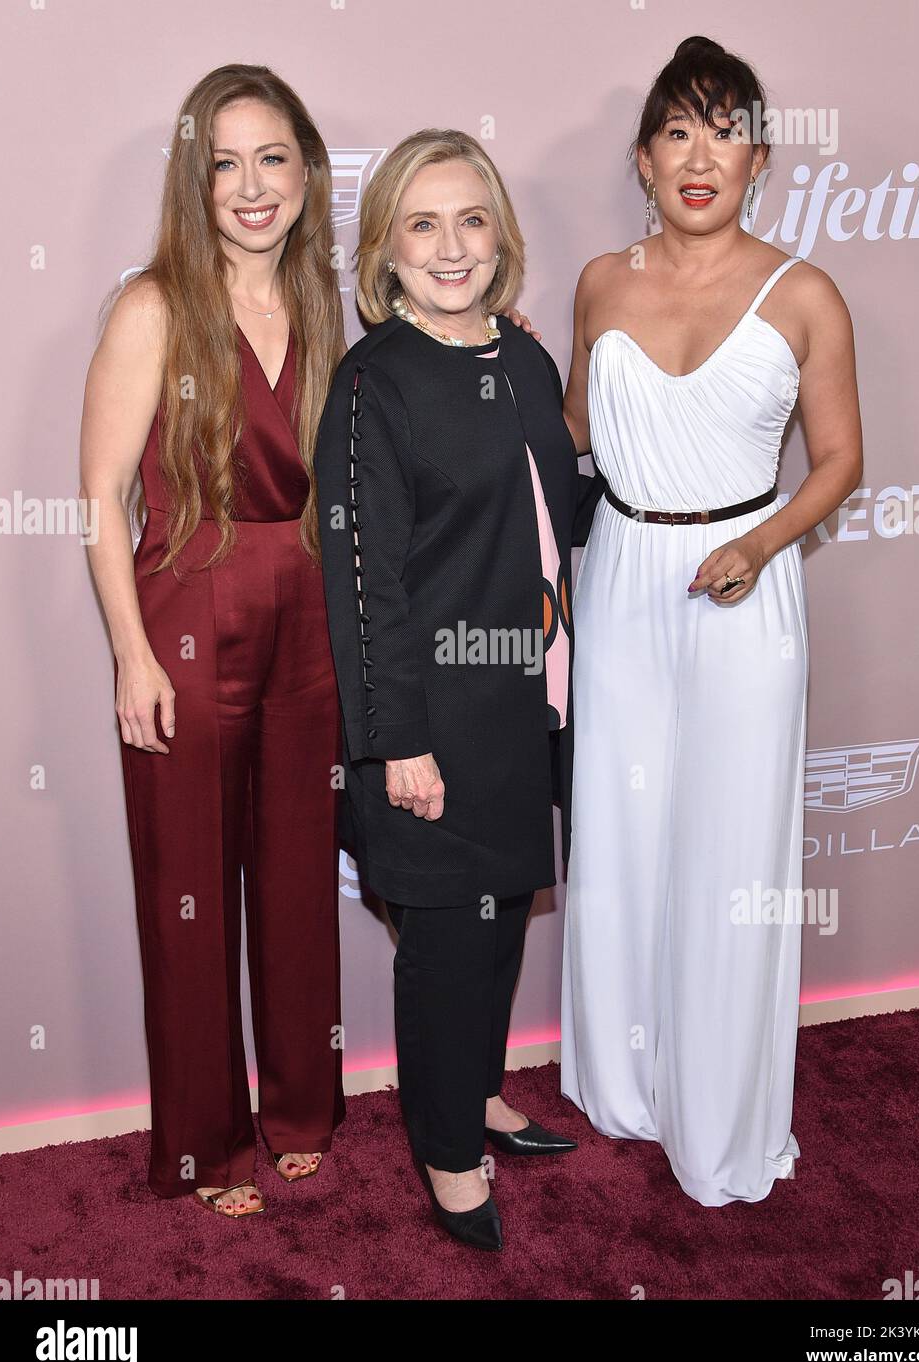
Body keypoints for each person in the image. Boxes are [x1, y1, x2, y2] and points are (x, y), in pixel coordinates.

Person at [560, 36, 863, 1206]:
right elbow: (575, 432)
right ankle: (628, 1086)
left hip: (745, 578)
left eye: (725, 129)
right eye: (678, 131)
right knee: (626, 836)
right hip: (623, 574)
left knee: (733, 847)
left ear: (761, 157)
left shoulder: (806, 292)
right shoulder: (599, 281)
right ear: (644, 159)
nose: (701, 154)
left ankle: (723, 1120)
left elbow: (839, 462)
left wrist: (757, 545)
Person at [314, 129, 596, 1251]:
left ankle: (476, 1093)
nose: (450, 245)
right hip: (432, 717)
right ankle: (445, 1149)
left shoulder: (521, 358)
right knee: (442, 944)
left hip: (526, 705)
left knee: (500, 925)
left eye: (470, 218)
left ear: (500, 235)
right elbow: (364, 579)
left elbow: (551, 511)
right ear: (384, 248)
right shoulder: (374, 381)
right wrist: (398, 744)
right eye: (422, 223)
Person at [80, 66, 348, 1216]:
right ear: (198, 178)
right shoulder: (153, 304)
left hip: (312, 612)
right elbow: (98, 498)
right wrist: (132, 655)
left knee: (297, 877)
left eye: (272, 158)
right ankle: (205, 1146)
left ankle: (298, 1107)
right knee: (189, 886)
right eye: (225, 162)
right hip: (186, 608)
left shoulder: (332, 303)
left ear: (306, 173)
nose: (251, 185)